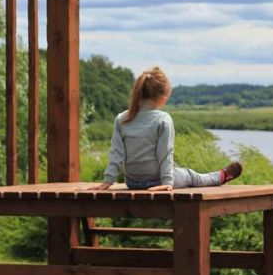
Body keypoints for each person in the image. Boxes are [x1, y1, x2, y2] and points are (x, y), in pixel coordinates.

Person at [90, 66, 242, 191]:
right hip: (157, 181)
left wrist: (107, 181)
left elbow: (116, 153)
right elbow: (165, 153)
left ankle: (218, 175)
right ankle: (220, 176)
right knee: (190, 175)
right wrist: (167, 182)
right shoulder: (163, 119)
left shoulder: (121, 118)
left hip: (133, 182)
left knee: (179, 171)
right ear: (162, 98)